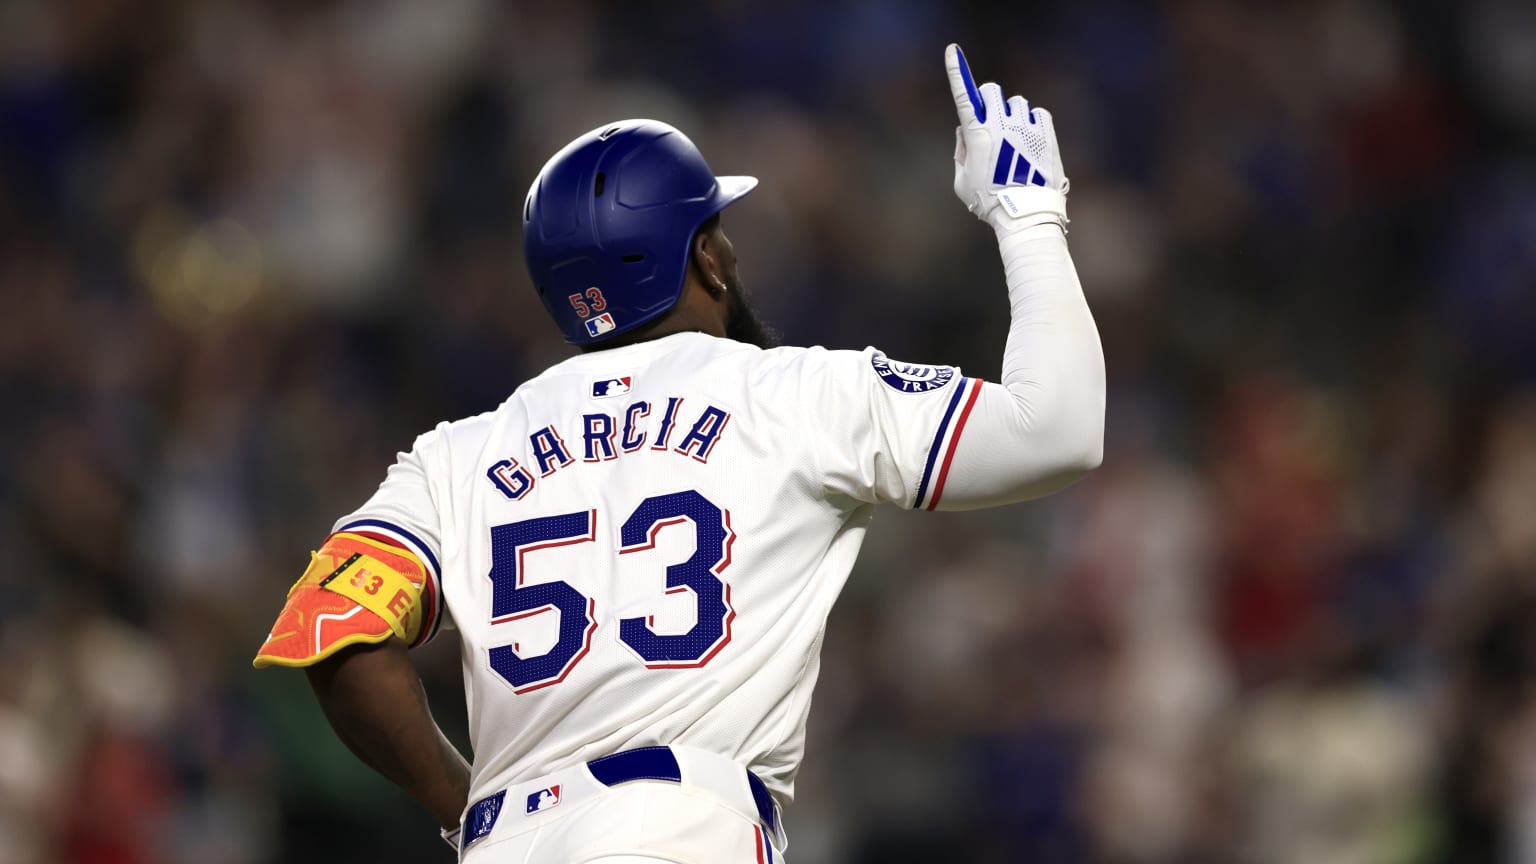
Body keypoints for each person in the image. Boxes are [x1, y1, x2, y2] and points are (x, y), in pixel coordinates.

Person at [253, 43, 1104, 862]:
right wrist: (1027, 217)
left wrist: (472, 811)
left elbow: (336, 640)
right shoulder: (796, 393)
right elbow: (1058, 428)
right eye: (719, 230)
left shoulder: (454, 456)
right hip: (681, 830)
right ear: (704, 255)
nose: (730, 248)